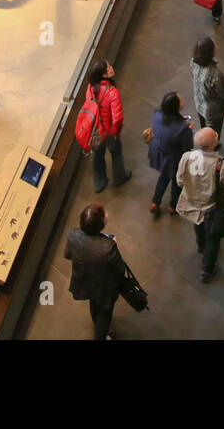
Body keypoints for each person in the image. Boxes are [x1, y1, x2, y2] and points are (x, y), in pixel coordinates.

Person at [176, 127, 224, 283]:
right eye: (215, 135)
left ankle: (200, 245)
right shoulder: (222, 167)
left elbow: (179, 181)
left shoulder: (186, 157)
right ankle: (207, 270)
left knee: (198, 224)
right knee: (213, 238)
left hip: (191, 203)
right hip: (211, 209)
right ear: (212, 145)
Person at [64, 203, 128, 340]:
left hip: (84, 281)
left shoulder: (72, 235)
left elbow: (67, 254)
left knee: (93, 303)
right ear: (101, 224)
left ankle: (95, 322)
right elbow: (120, 268)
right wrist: (113, 244)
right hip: (104, 287)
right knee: (105, 314)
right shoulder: (109, 246)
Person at [147, 92, 194, 215]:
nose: (183, 100)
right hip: (175, 160)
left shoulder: (157, 115)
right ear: (175, 107)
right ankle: (173, 206)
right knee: (176, 182)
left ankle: (155, 202)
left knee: (163, 177)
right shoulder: (183, 130)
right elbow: (188, 148)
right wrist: (189, 131)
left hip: (160, 154)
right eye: (181, 100)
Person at [87, 59, 130, 193]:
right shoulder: (112, 92)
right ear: (104, 75)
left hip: (95, 131)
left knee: (98, 156)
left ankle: (99, 182)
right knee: (116, 154)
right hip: (110, 132)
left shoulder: (90, 88)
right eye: (109, 67)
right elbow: (118, 118)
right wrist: (116, 133)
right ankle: (120, 177)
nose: (112, 67)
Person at [191, 36, 224, 138]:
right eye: (214, 45)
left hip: (199, 101)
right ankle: (212, 147)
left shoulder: (193, 61)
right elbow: (223, 92)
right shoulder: (214, 73)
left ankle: (204, 139)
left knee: (203, 125)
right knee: (214, 132)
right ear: (210, 52)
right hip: (213, 110)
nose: (216, 46)